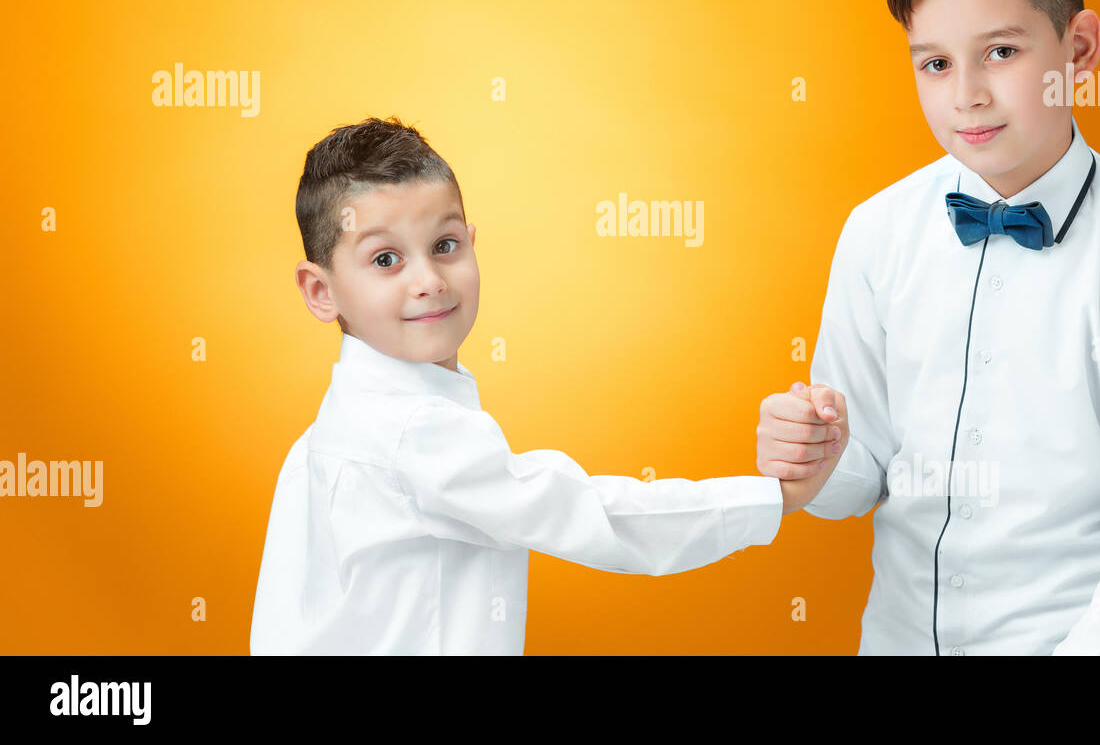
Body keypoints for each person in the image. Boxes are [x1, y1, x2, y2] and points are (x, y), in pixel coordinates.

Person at [757, 0, 1100, 655]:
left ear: (1078, 48)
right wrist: (817, 459)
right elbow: (859, 480)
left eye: (1001, 52)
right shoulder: (876, 232)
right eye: (936, 64)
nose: (967, 95)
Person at [250, 116, 843, 654]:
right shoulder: (412, 431)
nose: (429, 280)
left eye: (445, 245)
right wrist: (775, 498)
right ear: (320, 291)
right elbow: (594, 516)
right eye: (385, 260)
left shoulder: (325, 438)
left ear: (472, 243)